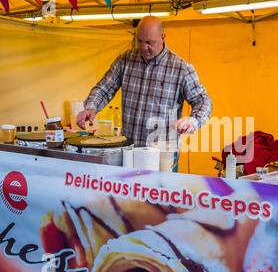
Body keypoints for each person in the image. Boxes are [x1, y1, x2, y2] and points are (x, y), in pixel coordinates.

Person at [76, 16, 212, 168]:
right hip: (130, 152)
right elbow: (104, 88)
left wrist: (192, 121)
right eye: (140, 41)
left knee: (160, 191)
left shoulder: (181, 68)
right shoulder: (125, 60)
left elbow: (203, 101)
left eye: (149, 42)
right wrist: (91, 107)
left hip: (162, 156)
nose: (143, 47)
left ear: (163, 37)